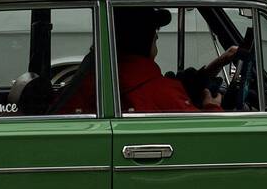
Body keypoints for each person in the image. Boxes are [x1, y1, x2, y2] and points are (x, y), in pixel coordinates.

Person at [57, 7, 235, 113]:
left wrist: (218, 63)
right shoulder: (156, 90)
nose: (156, 39)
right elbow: (203, 137)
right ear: (145, 40)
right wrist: (213, 108)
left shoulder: (101, 74)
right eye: (155, 35)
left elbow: (177, 84)